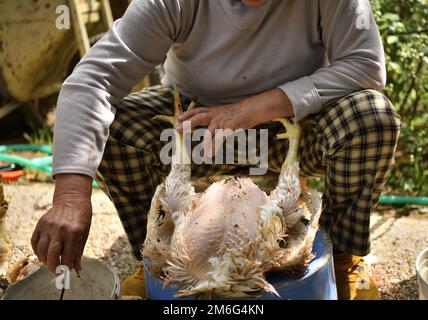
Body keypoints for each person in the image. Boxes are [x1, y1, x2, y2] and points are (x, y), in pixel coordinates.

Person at [31, 0, 401, 300]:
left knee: (371, 117)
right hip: (198, 130)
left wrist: (252, 108)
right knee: (117, 130)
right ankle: (157, 261)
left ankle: (341, 259)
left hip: (293, 129)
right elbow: (93, 79)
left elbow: (365, 65)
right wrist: (70, 195)